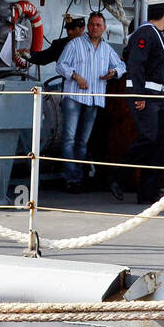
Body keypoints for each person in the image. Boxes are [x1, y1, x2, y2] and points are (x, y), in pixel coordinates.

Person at [55, 12, 125, 192]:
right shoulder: (75, 44)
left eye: (98, 25)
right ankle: (72, 179)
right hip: (74, 96)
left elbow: (122, 66)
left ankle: (79, 177)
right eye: (92, 24)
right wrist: (75, 76)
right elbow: (61, 65)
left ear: (104, 28)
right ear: (87, 26)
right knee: (69, 139)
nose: (95, 27)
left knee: (82, 141)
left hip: (94, 98)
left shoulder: (106, 49)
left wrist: (113, 72)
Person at [116, 0, 164, 203]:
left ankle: (148, 191)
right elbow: (136, 65)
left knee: (157, 144)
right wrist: (139, 95)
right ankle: (119, 175)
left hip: (159, 95)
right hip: (146, 95)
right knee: (148, 137)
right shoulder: (145, 33)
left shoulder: (160, 35)